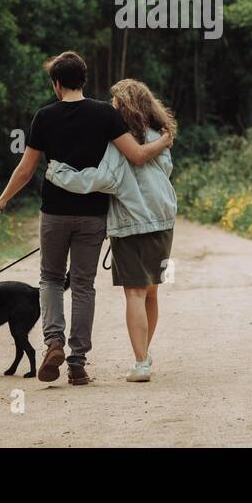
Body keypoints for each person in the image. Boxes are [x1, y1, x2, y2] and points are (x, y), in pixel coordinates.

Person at [0, 52, 171, 386]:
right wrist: (165, 138)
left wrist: (0, 202)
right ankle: (77, 360)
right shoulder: (105, 114)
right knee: (83, 285)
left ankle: (53, 341)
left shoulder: (43, 117)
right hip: (92, 216)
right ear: (84, 80)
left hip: (54, 213)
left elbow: (26, 169)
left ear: (56, 84)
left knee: (51, 279)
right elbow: (137, 155)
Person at [45, 78, 176, 382]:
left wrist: (57, 172)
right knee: (152, 291)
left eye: (116, 104)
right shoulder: (160, 136)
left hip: (131, 225)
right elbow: (164, 170)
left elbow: (96, 179)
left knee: (134, 291)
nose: (112, 108)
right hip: (163, 220)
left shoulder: (117, 145)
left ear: (124, 107)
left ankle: (142, 362)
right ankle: (144, 354)